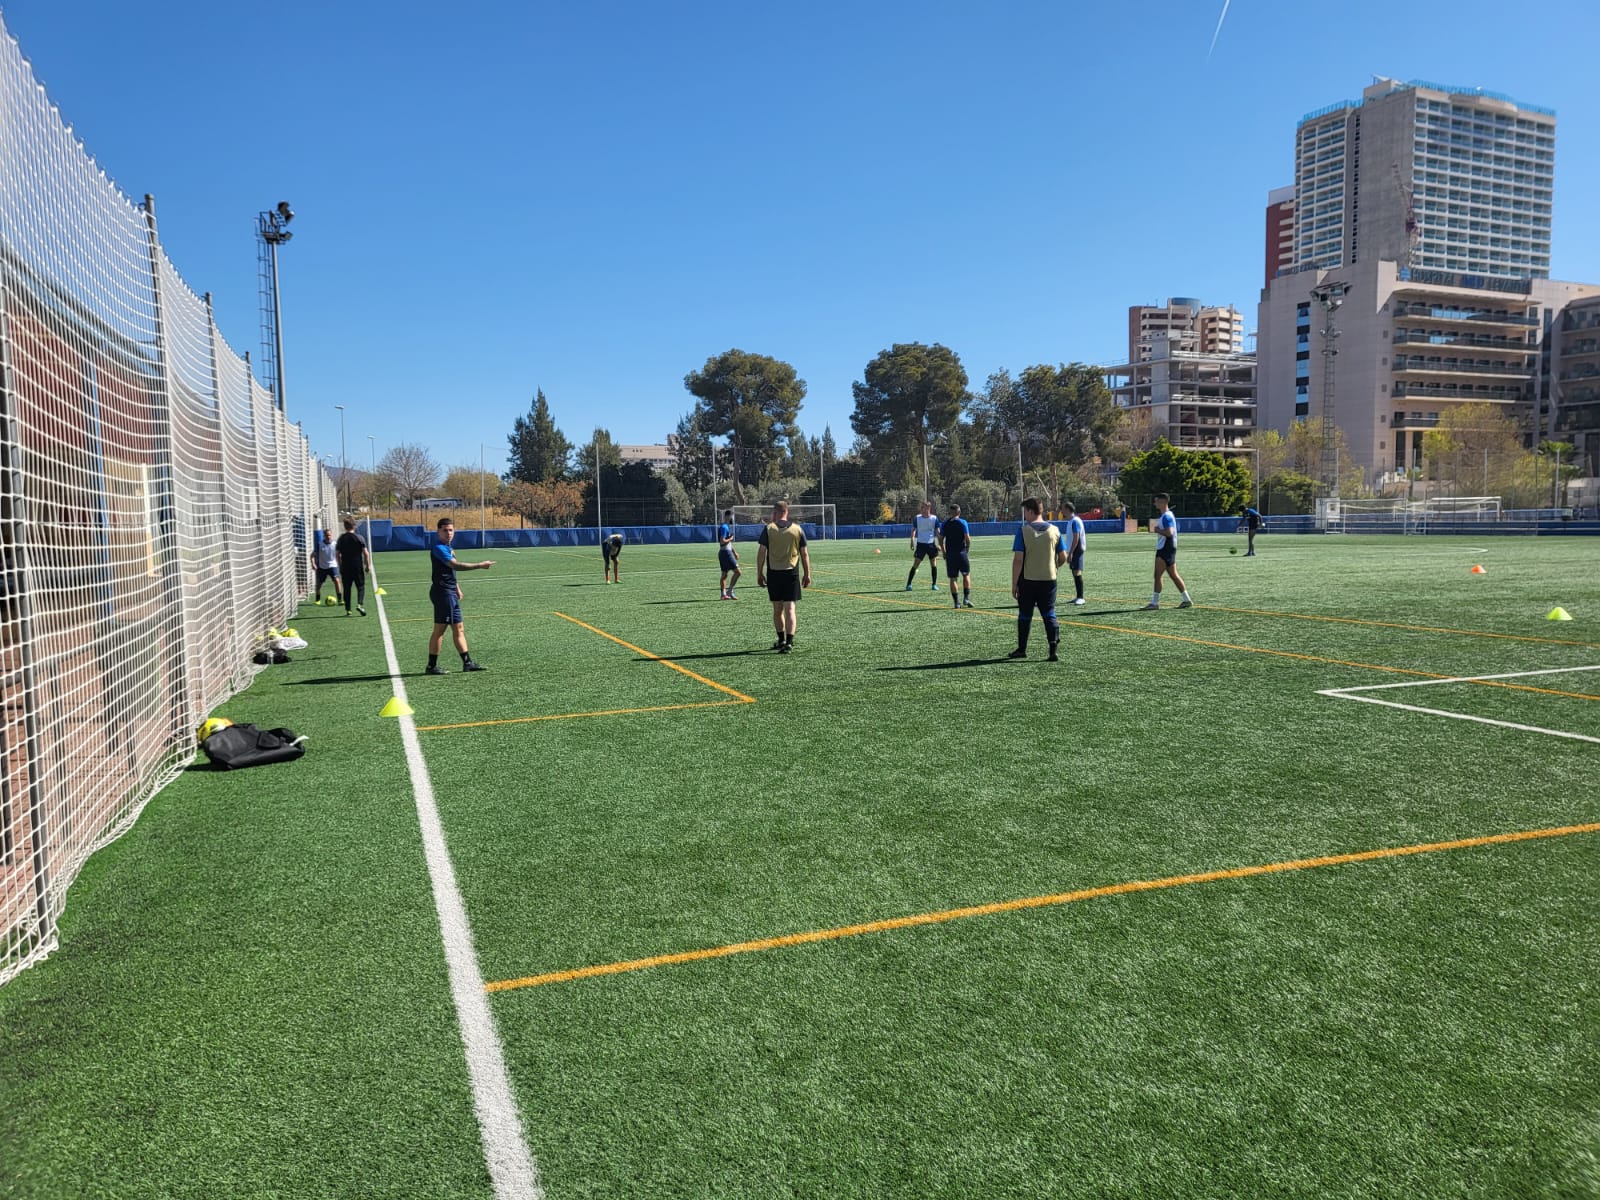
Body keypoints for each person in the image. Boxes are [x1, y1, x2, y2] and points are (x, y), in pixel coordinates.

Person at [426, 518, 493, 674]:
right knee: (440, 629)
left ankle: (467, 663)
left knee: (459, 628)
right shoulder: (439, 548)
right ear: (438, 531)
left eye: (451, 530)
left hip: (449, 592)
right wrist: (480, 565)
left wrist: (457, 588)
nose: (448, 533)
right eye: (445, 530)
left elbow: (449, 571)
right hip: (443, 593)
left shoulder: (448, 547)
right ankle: (431, 666)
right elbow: (455, 566)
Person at [1009, 498, 1066, 661]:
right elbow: (1063, 556)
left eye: (1025, 512)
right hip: (1049, 579)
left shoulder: (1023, 531)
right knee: (1049, 613)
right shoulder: (1055, 530)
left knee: (1025, 614)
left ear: (1030, 511)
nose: (1024, 516)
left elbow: (1018, 560)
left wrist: (1014, 583)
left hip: (1028, 580)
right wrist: (1054, 567)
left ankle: (1022, 649)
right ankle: (1053, 649)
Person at [756, 499, 811, 654]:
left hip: (774, 572)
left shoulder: (769, 529)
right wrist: (807, 574)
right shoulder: (797, 529)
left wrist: (759, 573)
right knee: (790, 608)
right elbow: (804, 554)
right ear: (787, 511)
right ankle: (789, 642)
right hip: (791, 573)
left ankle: (781, 640)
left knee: (777, 609)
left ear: (775, 512)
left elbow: (761, 553)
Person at [1144, 493, 1193, 610]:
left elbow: (1169, 533)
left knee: (1158, 575)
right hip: (1170, 548)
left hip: (1165, 548)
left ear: (1163, 502)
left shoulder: (1166, 516)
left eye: (1156, 501)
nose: (1155, 504)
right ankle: (1186, 599)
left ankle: (1154, 603)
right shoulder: (1167, 515)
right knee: (1173, 575)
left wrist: (1157, 530)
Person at [335, 518, 373, 616]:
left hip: (346, 566)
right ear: (354, 526)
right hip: (357, 566)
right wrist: (367, 565)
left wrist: (340, 566)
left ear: (345, 527)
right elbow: (366, 553)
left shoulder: (341, 539)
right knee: (360, 586)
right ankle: (359, 604)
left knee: (347, 588)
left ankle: (348, 610)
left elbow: (337, 554)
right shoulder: (359, 538)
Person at [938, 502, 973, 608]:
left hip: (950, 555)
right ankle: (966, 598)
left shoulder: (945, 524)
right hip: (961, 553)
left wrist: (944, 552)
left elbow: (940, 540)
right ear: (959, 512)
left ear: (950, 512)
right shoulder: (962, 522)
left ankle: (956, 603)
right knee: (966, 575)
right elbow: (967, 538)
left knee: (953, 579)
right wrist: (967, 549)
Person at [905, 500, 940, 591]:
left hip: (931, 544)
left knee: (933, 564)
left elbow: (937, 532)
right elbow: (913, 530)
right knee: (915, 564)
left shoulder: (934, 518)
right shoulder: (917, 518)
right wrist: (912, 541)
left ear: (928, 508)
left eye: (924, 507)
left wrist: (940, 544)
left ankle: (934, 584)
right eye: (922, 507)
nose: (922, 509)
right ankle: (909, 584)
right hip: (921, 545)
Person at [1062, 500, 1087, 605]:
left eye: (1063, 509)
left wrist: (1071, 553)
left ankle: (1081, 597)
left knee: (1077, 572)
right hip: (1074, 549)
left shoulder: (1075, 521)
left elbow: (1076, 537)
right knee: (1074, 572)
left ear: (1068, 509)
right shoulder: (1071, 521)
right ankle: (1078, 596)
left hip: (1077, 549)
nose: (1062, 511)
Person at [310, 527, 341, 605]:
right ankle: (317, 600)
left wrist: (340, 563)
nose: (328, 537)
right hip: (322, 567)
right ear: (324, 536)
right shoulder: (320, 544)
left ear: (331, 535)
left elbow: (339, 554)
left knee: (337, 580)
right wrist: (313, 564)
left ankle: (340, 599)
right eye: (327, 535)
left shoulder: (335, 544)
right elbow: (312, 555)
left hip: (333, 566)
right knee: (319, 584)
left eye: (329, 535)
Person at [717, 509, 741, 599]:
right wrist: (730, 539)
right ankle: (730, 591)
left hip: (723, 553)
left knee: (724, 574)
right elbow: (722, 541)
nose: (733, 519)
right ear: (728, 516)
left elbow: (727, 542)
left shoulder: (725, 526)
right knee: (738, 572)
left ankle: (723, 595)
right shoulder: (724, 527)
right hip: (726, 553)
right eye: (732, 517)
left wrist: (734, 552)